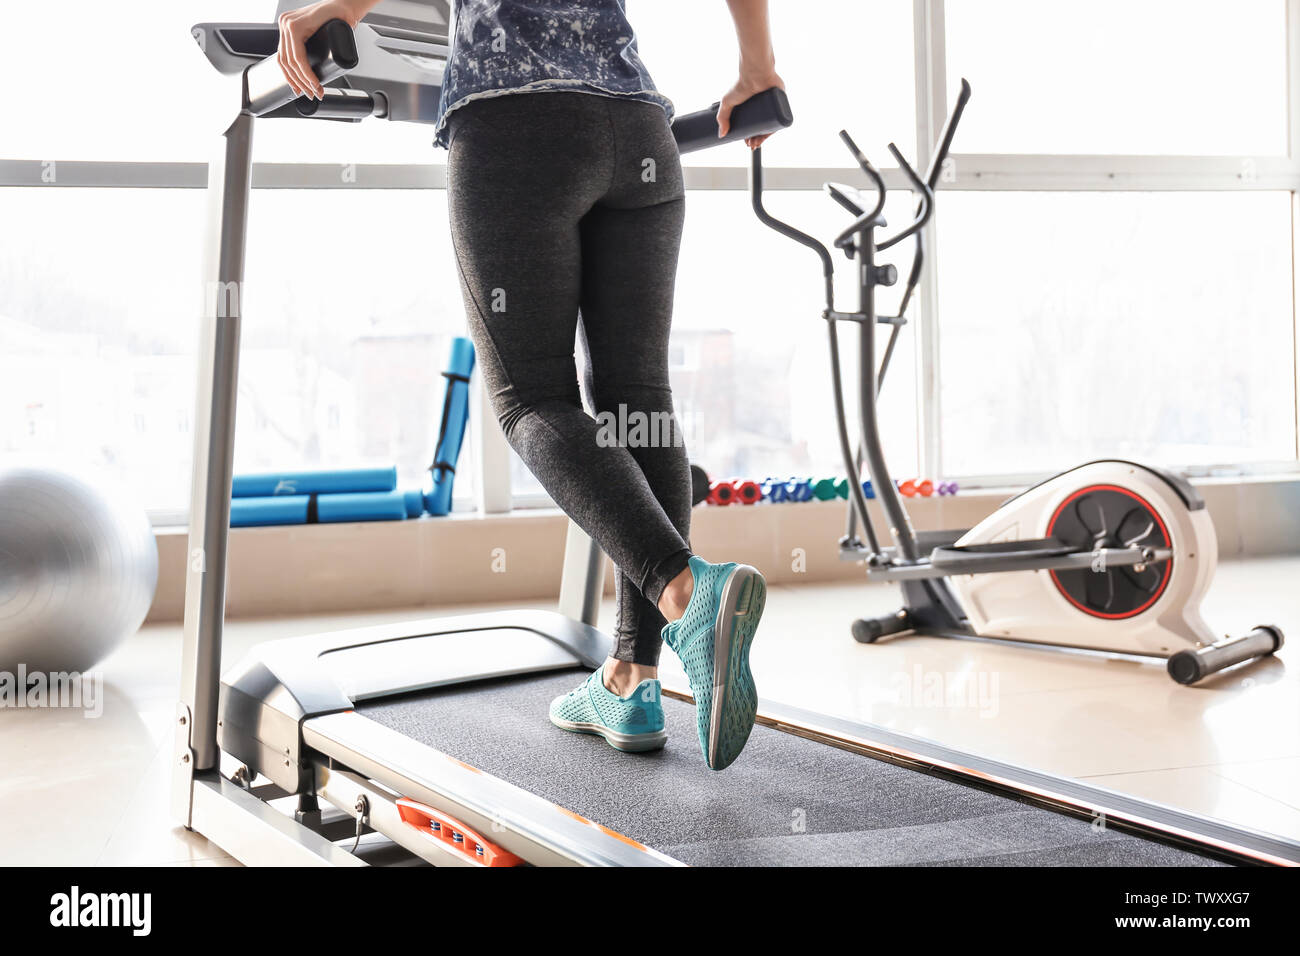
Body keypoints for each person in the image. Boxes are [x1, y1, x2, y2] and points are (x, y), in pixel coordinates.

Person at [274, 0, 782, 770]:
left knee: (531, 398)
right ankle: (631, 678)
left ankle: (686, 593)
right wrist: (756, 66)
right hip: (638, 128)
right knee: (638, 399)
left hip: (516, 126)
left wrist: (337, 9)